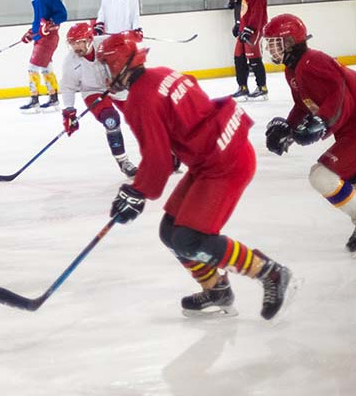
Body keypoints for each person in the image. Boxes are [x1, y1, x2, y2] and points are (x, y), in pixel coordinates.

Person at [96, 31, 293, 320]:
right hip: (215, 156)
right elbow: (190, 98)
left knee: (189, 239)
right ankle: (217, 290)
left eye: (105, 65)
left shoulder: (141, 99)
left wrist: (136, 193)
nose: (103, 72)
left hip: (224, 164)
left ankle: (270, 273)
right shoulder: (161, 74)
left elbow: (158, 160)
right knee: (170, 231)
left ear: (118, 64)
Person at [261, 13, 356, 256]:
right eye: (269, 43)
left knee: (322, 176)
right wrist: (289, 128)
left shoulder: (312, 62)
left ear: (291, 42)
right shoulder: (295, 69)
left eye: (276, 42)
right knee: (354, 181)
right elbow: (305, 104)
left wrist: (322, 123)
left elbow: (339, 97)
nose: (271, 48)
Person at [59, 22, 138, 177]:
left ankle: (164, 151)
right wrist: (69, 110)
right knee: (111, 120)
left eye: (79, 42)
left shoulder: (106, 43)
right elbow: (68, 87)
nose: (76, 47)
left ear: (89, 39)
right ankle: (123, 161)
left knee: (141, 118)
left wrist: (132, 37)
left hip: (117, 87)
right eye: (72, 43)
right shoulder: (70, 62)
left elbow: (127, 49)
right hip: (93, 91)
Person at [20, 0, 67, 113]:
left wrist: (51, 22)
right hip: (40, 37)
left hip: (49, 38)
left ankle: (34, 99)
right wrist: (30, 33)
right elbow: (37, 21)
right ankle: (53, 98)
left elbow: (62, 14)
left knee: (32, 67)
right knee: (46, 67)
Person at [234, 0, 269, 100]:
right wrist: (239, 25)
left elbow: (257, 12)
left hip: (254, 29)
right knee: (239, 57)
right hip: (245, 28)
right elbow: (245, 11)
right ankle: (242, 87)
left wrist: (249, 29)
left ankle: (262, 88)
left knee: (254, 58)